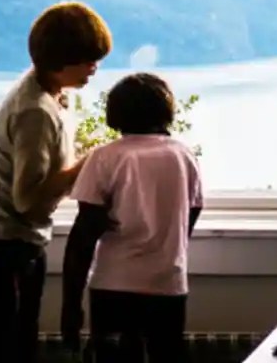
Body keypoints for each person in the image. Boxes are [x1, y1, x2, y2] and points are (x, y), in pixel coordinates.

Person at [0, 1, 112, 363]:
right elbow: (26, 199)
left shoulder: (51, 93)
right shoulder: (36, 111)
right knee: (4, 349)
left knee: (17, 343)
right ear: (60, 59)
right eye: (87, 59)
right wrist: (89, 164)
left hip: (10, 241)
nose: (94, 68)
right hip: (0, 246)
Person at [61, 73, 203, 362]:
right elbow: (191, 212)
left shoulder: (105, 157)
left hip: (114, 285)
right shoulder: (184, 156)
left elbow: (82, 239)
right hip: (168, 283)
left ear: (115, 114)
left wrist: (71, 306)